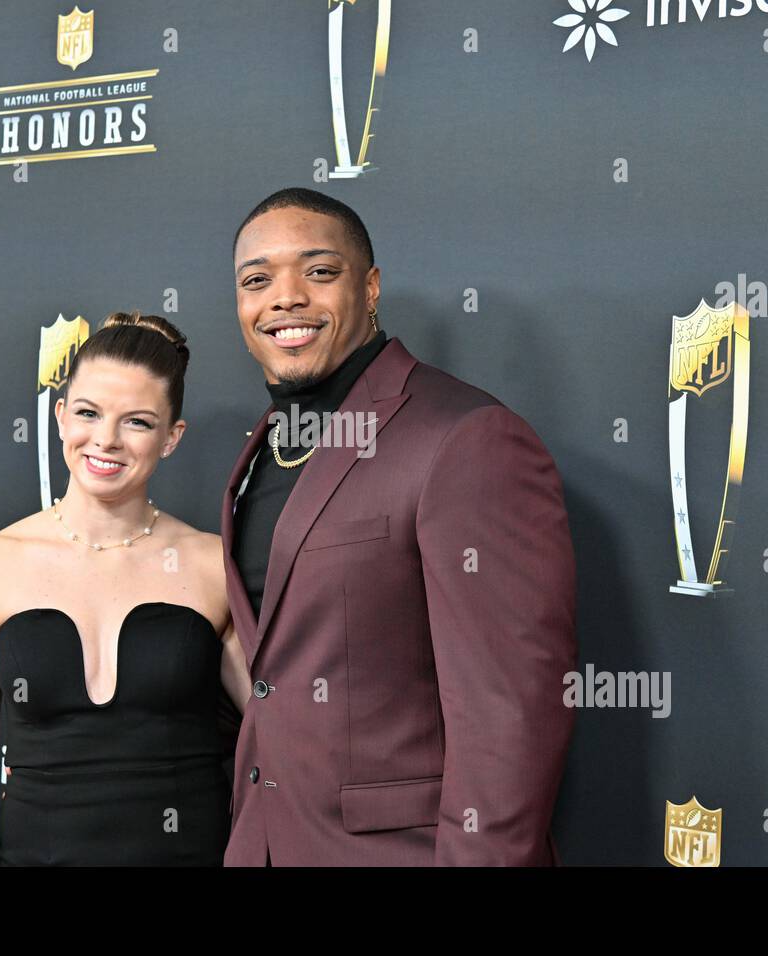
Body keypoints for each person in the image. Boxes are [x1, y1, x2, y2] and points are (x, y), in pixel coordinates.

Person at [222, 188, 578, 866]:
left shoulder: (464, 438)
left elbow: (509, 714)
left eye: (319, 272)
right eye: (257, 280)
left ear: (372, 287)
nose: (285, 297)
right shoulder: (262, 450)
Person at [0, 311, 250, 866]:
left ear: (172, 438)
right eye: (88, 413)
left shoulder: (212, 565)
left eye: (137, 422)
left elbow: (276, 730)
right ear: (60, 417)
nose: (105, 440)